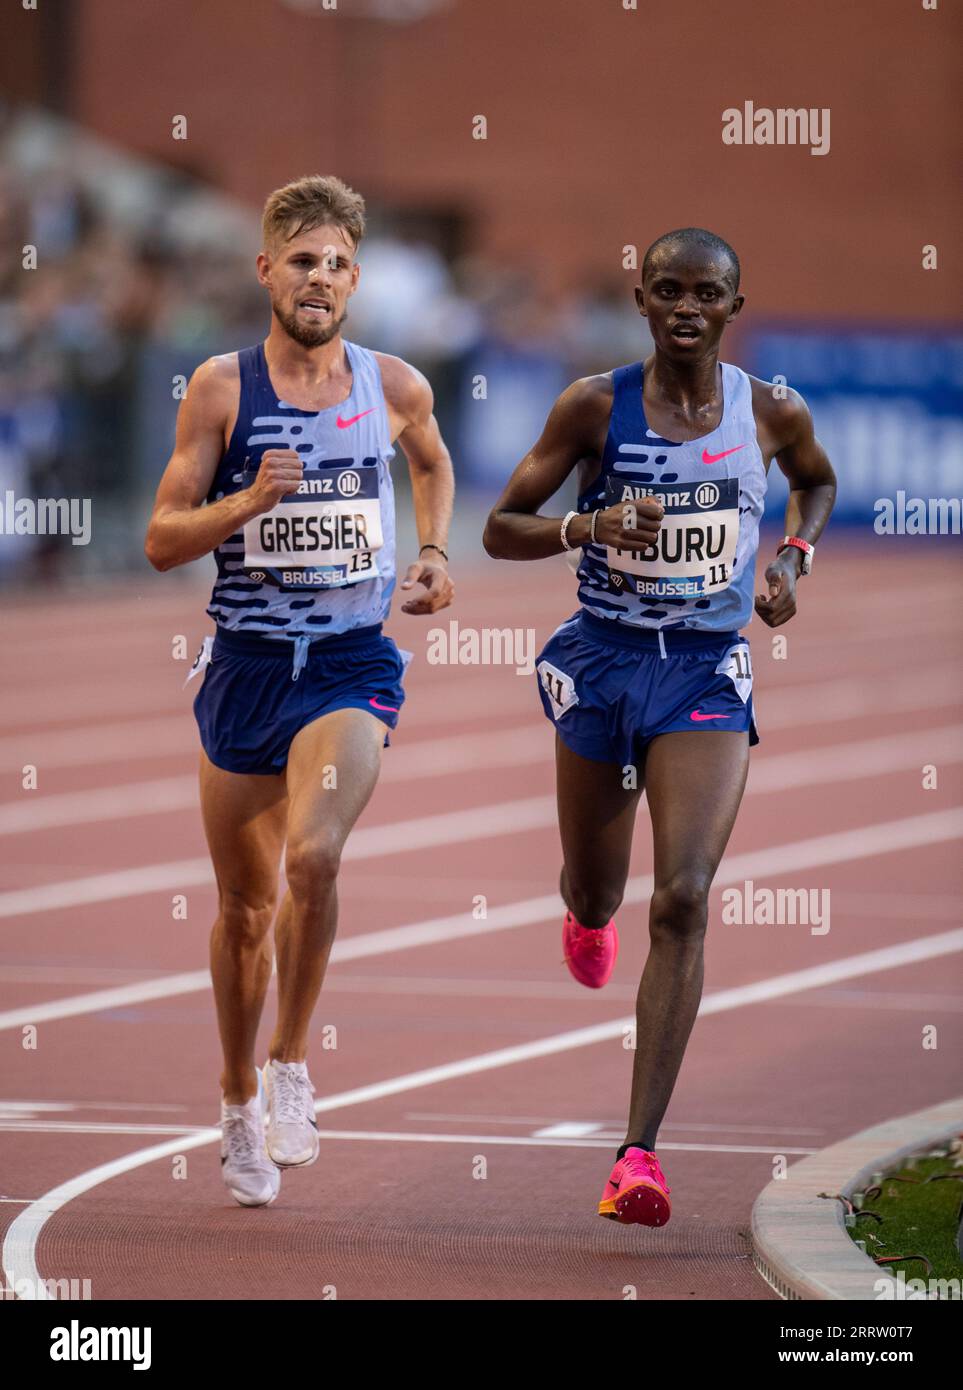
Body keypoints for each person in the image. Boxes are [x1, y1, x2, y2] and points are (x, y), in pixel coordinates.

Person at [483, 228, 835, 1226]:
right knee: (600, 885)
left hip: (703, 673)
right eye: (668, 290)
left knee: (682, 895)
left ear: (734, 305)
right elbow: (500, 527)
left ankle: (637, 1154)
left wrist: (793, 561)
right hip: (604, 662)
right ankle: (585, 914)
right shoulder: (594, 406)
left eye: (707, 293)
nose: (687, 307)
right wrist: (589, 526)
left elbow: (817, 481)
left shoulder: (771, 410)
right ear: (640, 300)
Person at [145, 175, 455, 1207]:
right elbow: (159, 540)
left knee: (316, 857)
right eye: (301, 260)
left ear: (355, 278)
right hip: (244, 667)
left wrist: (437, 554)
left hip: (347, 663)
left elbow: (433, 463)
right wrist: (249, 499)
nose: (318, 279)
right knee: (244, 909)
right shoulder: (221, 390)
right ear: (266, 269)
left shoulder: (394, 383)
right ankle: (235, 1099)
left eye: (336, 264)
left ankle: (288, 1066)